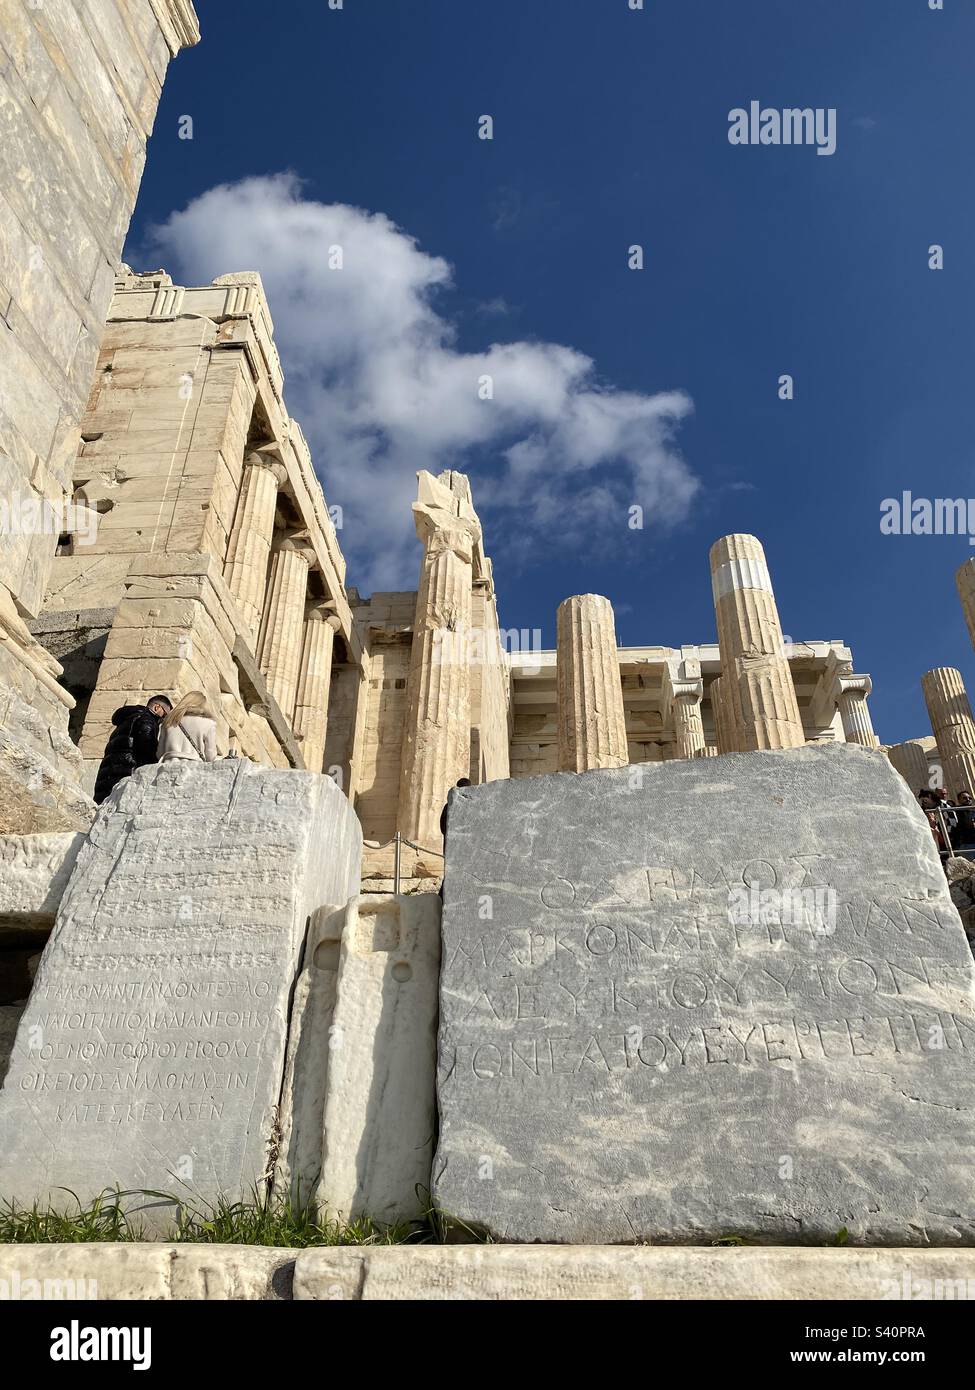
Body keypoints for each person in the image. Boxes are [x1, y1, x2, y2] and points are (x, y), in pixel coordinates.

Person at [93, 695, 173, 803]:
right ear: (156, 707)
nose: (163, 719)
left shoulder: (126, 720)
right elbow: (147, 746)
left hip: (107, 775)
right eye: (164, 714)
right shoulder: (146, 719)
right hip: (125, 774)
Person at [157, 691, 218, 764]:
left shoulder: (168, 722)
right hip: (194, 767)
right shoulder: (209, 723)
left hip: (168, 766)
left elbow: (159, 753)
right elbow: (210, 757)